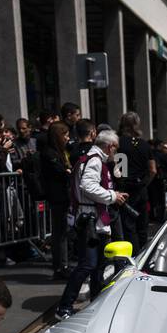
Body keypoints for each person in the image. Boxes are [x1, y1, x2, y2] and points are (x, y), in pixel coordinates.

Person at [57, 129, 128, 319]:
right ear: (110, 146)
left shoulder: (95, 159)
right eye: (116, 148)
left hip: (95, 219)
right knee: (88, 265)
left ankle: (95, 303)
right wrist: (113, 196)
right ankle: (64, 306)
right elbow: (87, 186)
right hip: (90, 220)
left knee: (98, 265)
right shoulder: (95, 160)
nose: (116, 152)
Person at [115, 112, 155, 248]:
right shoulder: (145, 144)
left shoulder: (119, 143)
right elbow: (153, 170)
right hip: (142, 189)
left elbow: (120, 170)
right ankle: (144, 253)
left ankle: (133, 255)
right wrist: (144, 184)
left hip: (126, 189)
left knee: (128, 226)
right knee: (142, 225)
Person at [40, 120, 73, 276]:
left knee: (62, 232)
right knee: (59, 232)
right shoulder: (49, 153)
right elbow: (61, 172)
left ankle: (63, 265)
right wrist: (67, 172)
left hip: (62, 195)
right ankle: (60, 267)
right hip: (57, 196)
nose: (67, 138)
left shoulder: (61, 152)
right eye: (65, 134)